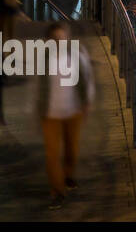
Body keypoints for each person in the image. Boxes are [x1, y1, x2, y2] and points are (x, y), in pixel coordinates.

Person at [38, 22, 94, 209]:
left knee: (72, 149)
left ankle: (68, 175)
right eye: (55, 39)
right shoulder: (43, 58)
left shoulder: (78, 55)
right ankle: (57, 191)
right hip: (50, 113)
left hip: (73, 111)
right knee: (52, 154)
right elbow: (39, 88)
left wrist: (86, 103)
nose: (59, 42)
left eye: (62, 38)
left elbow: (87, 80)